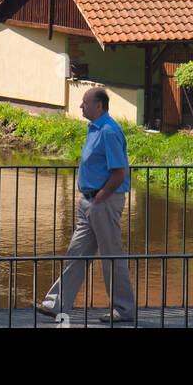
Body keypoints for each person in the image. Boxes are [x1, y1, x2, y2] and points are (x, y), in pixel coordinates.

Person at [37, 86, 135, 323]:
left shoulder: (109, 131)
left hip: (103, 202)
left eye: (85, 102)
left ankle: (124, 310)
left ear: (98, 106)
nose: (81, 105)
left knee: (111, 256)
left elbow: (120, 172)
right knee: (76, 253)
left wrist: (101, 197)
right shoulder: (94, 129)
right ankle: (56, 304)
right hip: (88, 203)